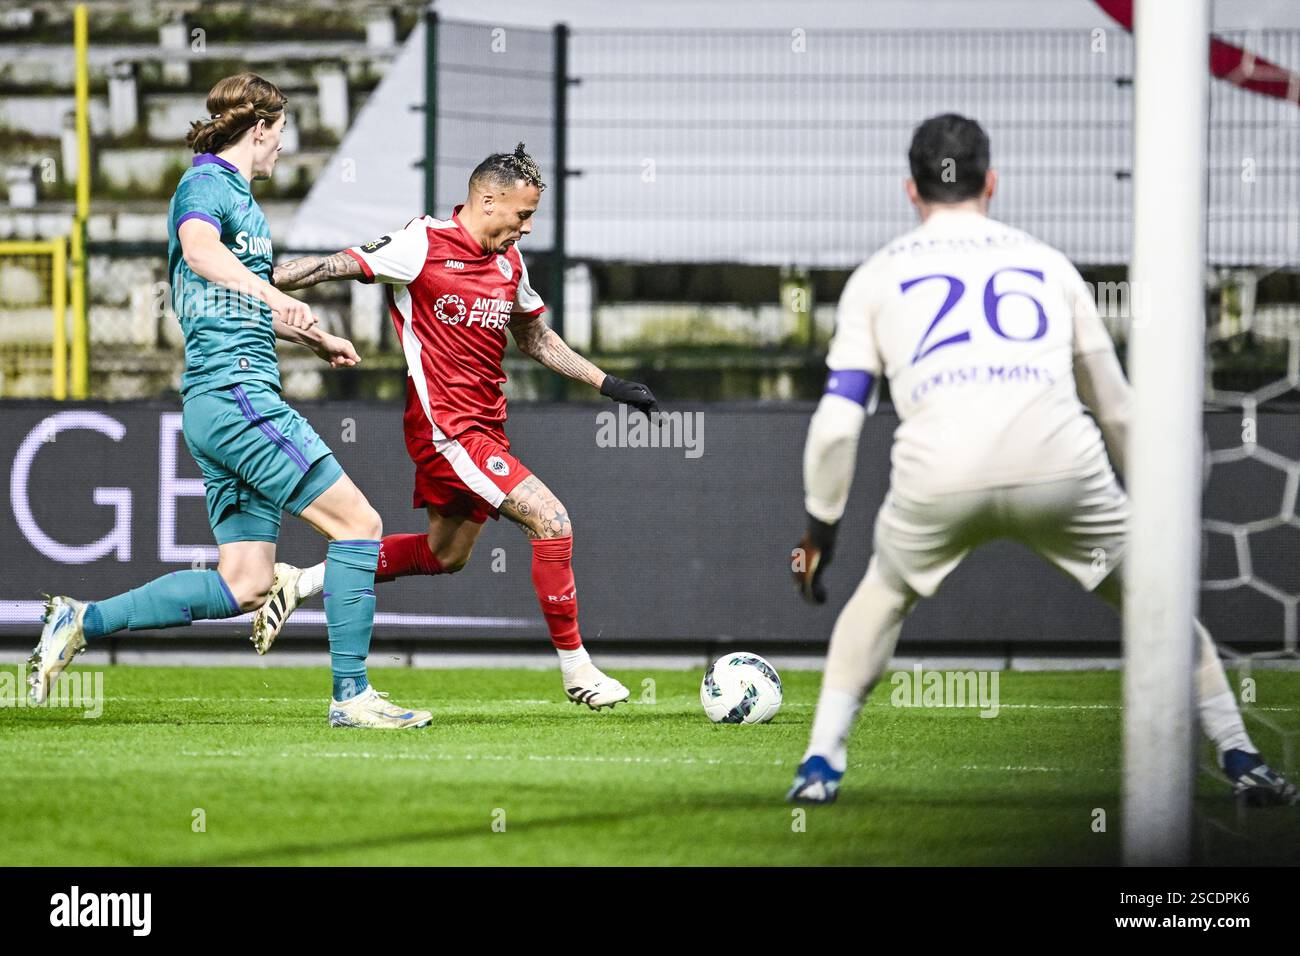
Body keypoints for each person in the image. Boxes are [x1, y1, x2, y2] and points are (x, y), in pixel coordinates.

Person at [787, 113, 1297, 806]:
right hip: (1061, 464)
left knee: (879, 600)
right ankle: (1242, 756)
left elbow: (838, 425)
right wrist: (1160, 515)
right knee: (1157, 603)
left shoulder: (874, 279)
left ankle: (820, 766)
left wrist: (820, 532)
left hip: (939, 472)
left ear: (911, 189)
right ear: (992, 181)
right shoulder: (1047, 264)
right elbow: (1117, 408)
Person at [28, 73, 430, 730]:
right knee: (359, 526)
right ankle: (352, 696)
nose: (280, 149)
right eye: (281, 134)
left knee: (246, 580)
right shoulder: (209, 184)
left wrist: (312, 337)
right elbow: (200, 249)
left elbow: (225, 297)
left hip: (215, 402)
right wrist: (277, 296)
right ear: (263, 128)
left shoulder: (231, 195)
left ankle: (80, 619)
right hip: (240, 396)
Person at [254, 144, 658, 709]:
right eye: (522, 214)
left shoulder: (509, 263)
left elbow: (535, 338)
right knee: (552, 520)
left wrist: (607, 383)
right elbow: (331, 265)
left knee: (445, 555)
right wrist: (247, 281)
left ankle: (303, 582)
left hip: (485, 430)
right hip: (447, 431)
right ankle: (578, 672)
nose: (527, 227)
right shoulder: (420, 244)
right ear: (487, 199)